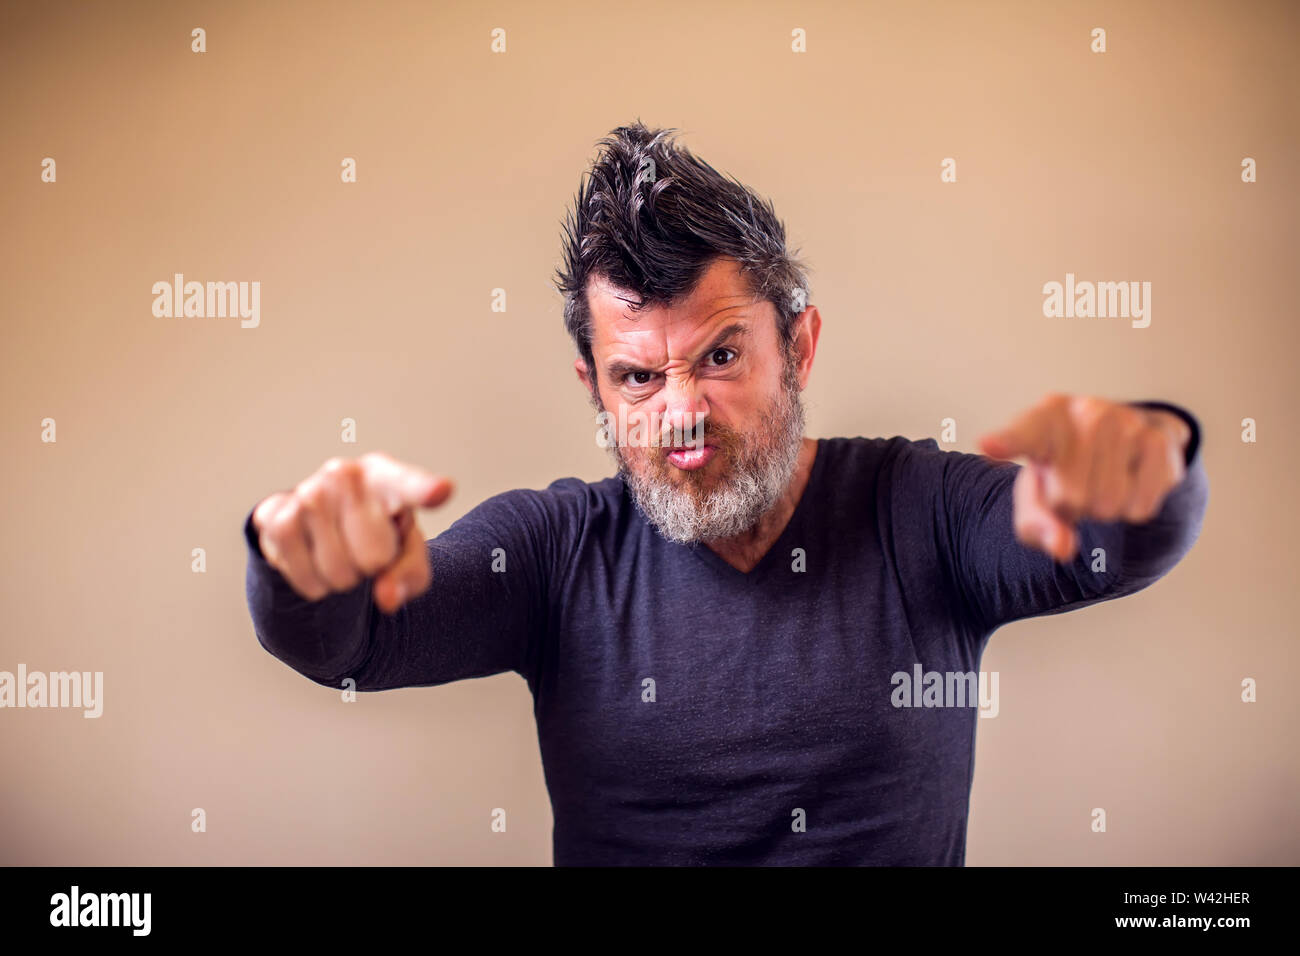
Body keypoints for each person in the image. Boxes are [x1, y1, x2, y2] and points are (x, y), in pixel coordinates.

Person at [243, 122, 1209, 865]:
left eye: (720, 356)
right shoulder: (553, 553)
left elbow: (1114, 544)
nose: (682, 413)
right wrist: (300, 568)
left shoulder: (918, 512)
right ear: (594, 388)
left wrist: (1146, 469)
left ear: (799, 347)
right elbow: (351, 646)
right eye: (638, 379)